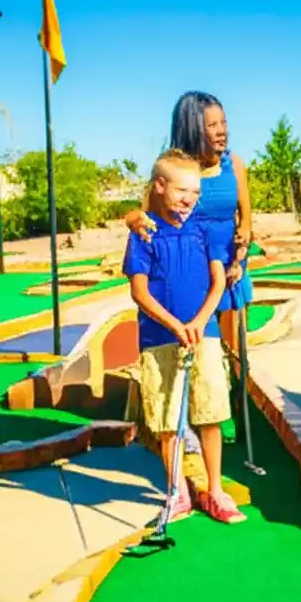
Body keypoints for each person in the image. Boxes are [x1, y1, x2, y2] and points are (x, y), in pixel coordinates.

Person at [124, 92, 253, 470]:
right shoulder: (178, 170)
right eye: (212, 124)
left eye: (223, 123)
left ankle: (222, 418)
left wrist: (243, 246)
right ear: (192, 126)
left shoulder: (235, 166)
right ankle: (188, 427)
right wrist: (133, 220)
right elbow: (144, 214)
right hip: (191, 268)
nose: (221, 131)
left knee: (229, 350)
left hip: (227, 267)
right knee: (192, 349)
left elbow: (246, 217)